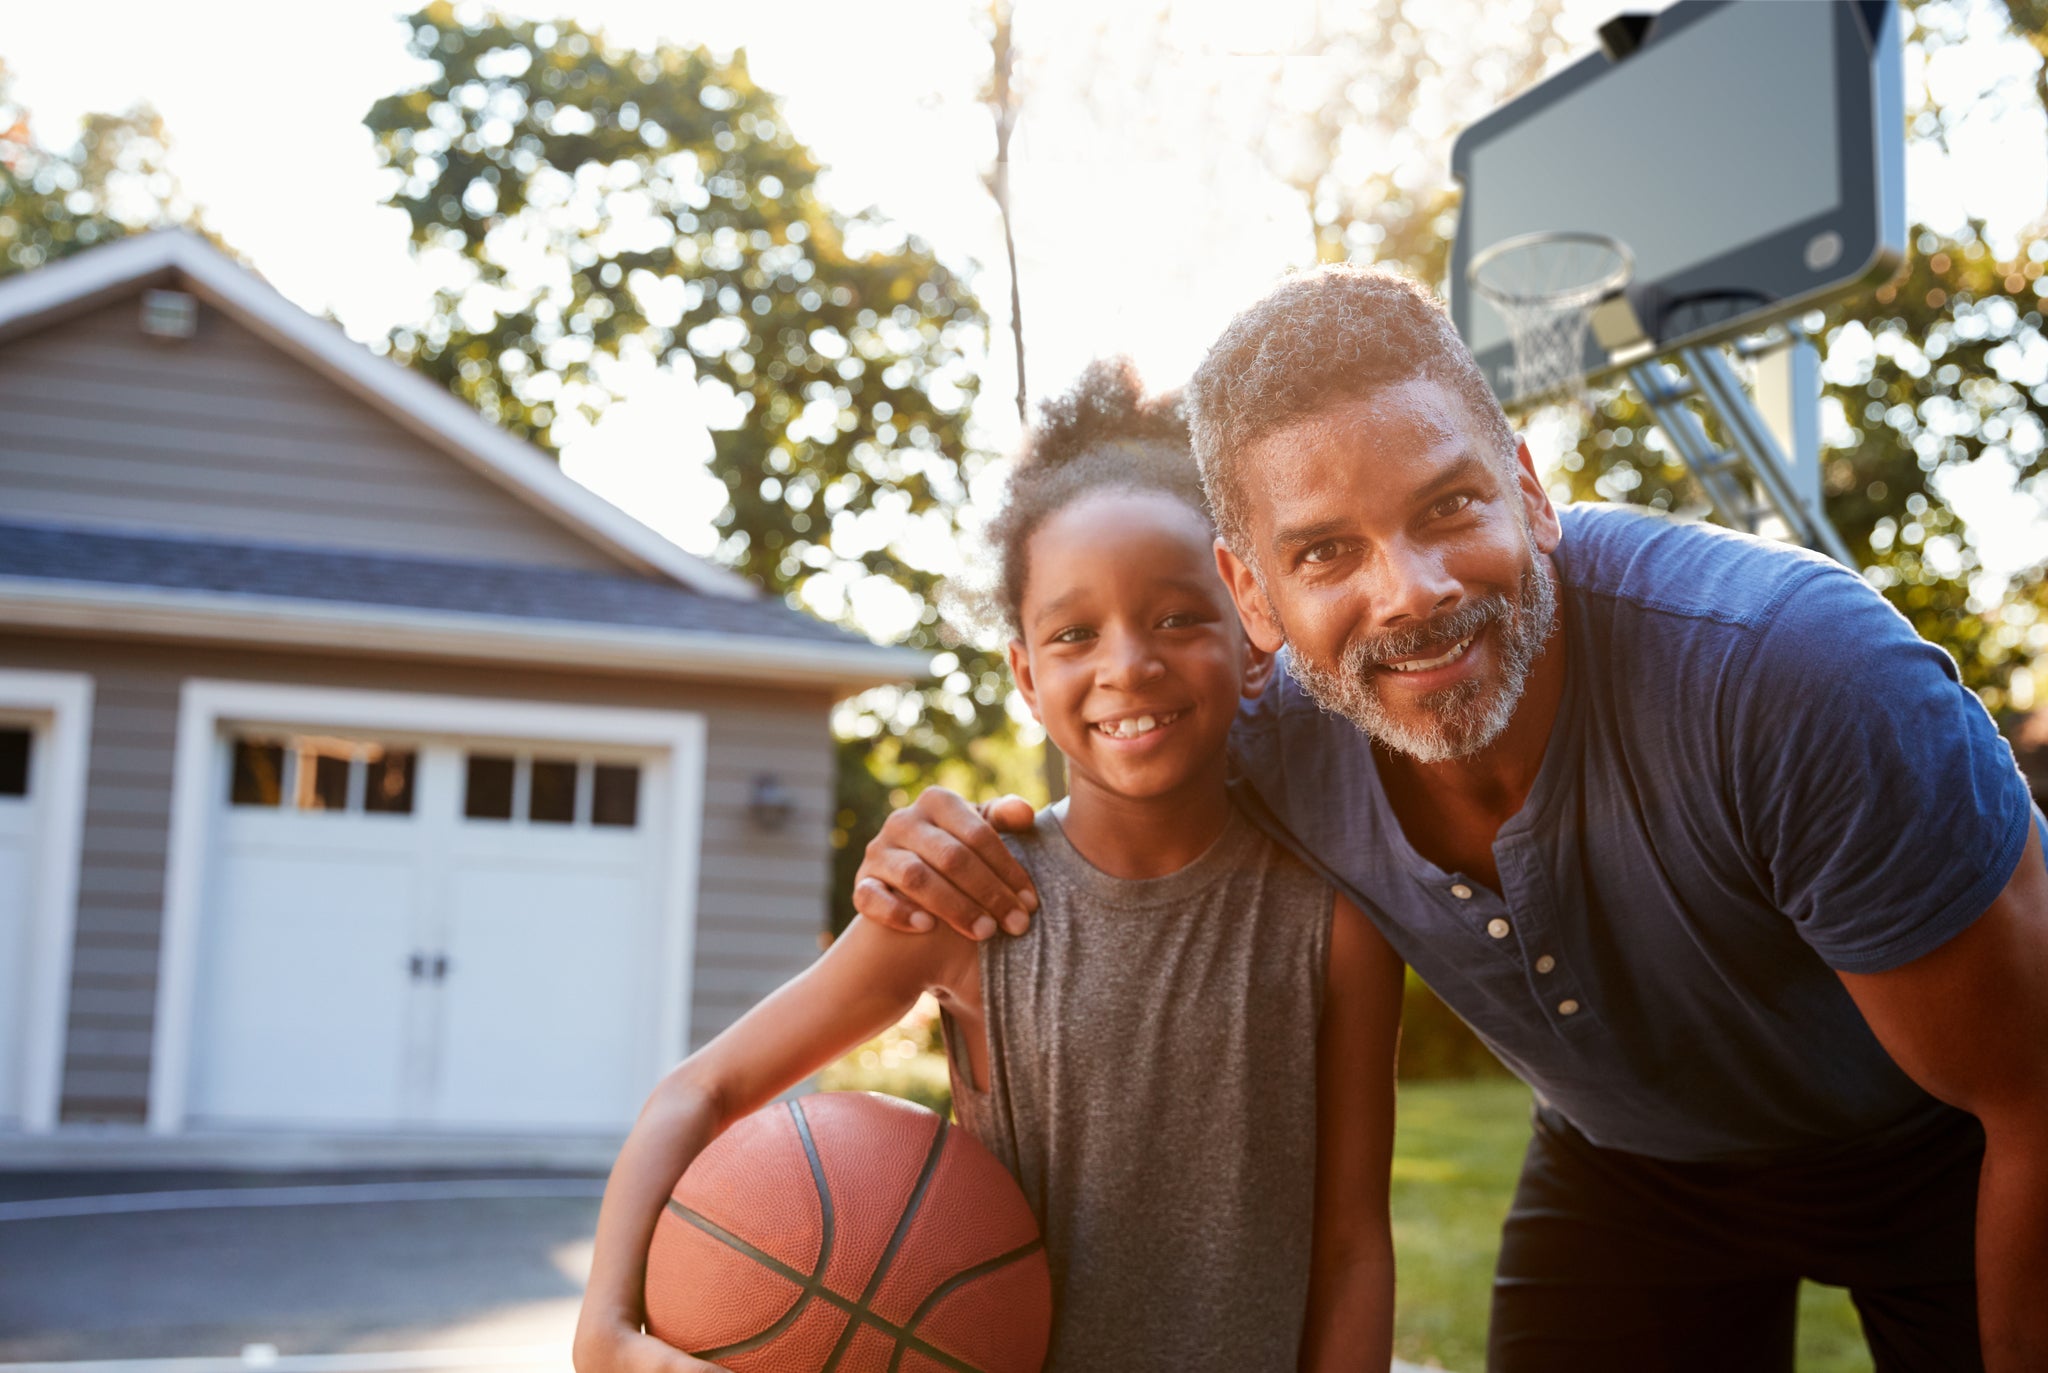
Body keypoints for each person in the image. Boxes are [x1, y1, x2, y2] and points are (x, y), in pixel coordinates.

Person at [853, 268, 2048, 1373]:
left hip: (1942, 1143)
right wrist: (946, 845)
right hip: (1633, 1159)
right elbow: (1093, 811)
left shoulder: (1791, 679)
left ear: (1528, 490)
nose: (1410, 591)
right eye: (1325, 551)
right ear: (1251, 596)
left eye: (1449, 504)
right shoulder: (1253, 730)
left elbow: (2031, 1100)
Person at [573, 360, 1406, 1373]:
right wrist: (605, 1334)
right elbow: (697, 1094)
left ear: (1250, 635)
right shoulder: (967, 896)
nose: (1126, 662)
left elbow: (1352, 1243)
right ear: (1024, 672)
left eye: (1178, 616)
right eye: (1072, 632)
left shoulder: (1334, 926)